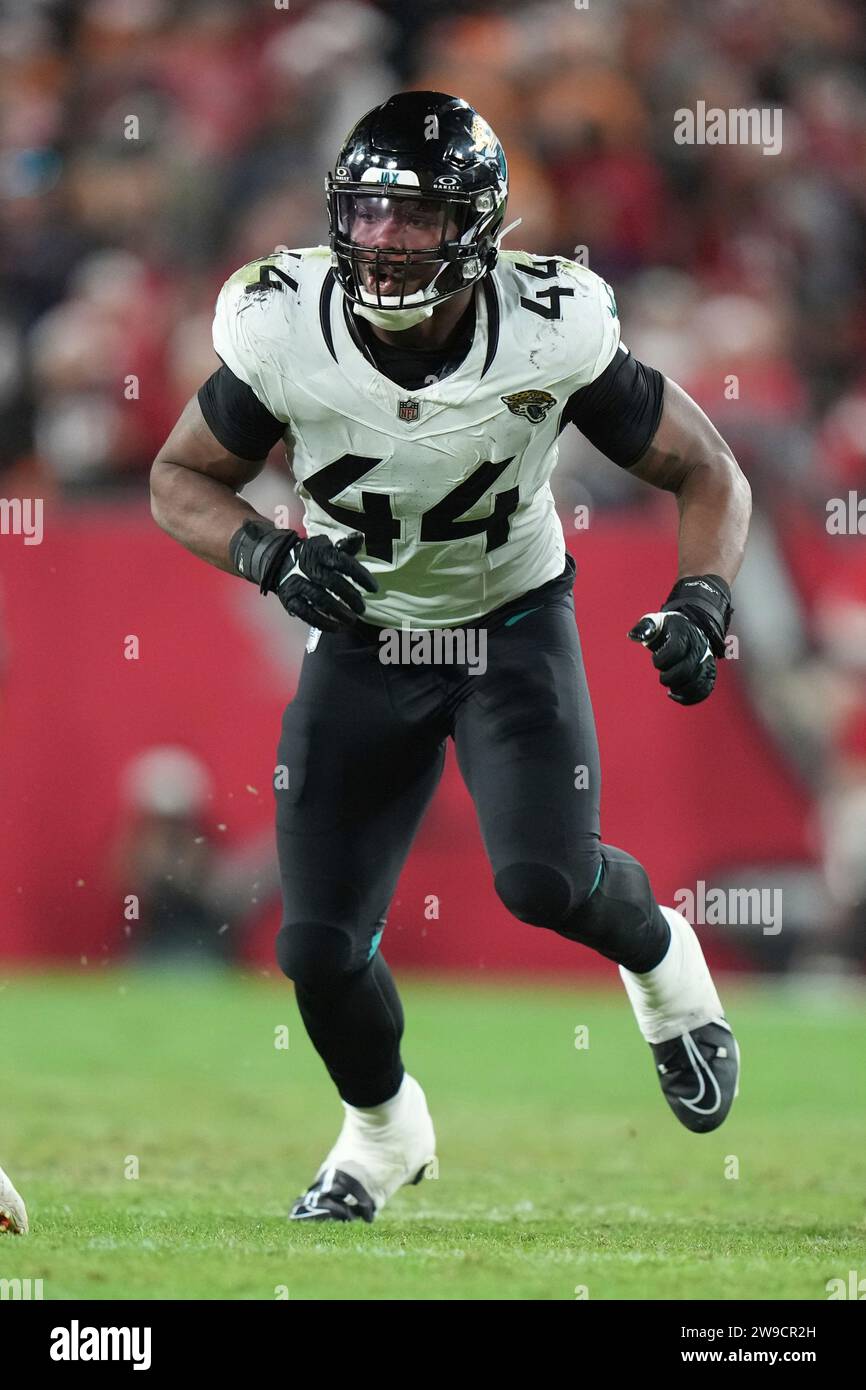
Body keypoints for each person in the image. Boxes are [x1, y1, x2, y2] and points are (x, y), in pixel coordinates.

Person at [150, 92, 752, 1224]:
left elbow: (706, 467)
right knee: (317, 951)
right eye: (365, 213)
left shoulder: (550, 326)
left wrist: (703, 597)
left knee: (545, 881)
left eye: (412, 217)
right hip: (364, 641)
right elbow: (179, 479)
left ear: (474, 228)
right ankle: (381, 1136)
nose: (380, 242)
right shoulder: (284, 325)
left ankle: (665, 970)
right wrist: (265, 558)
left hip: (505, 629)